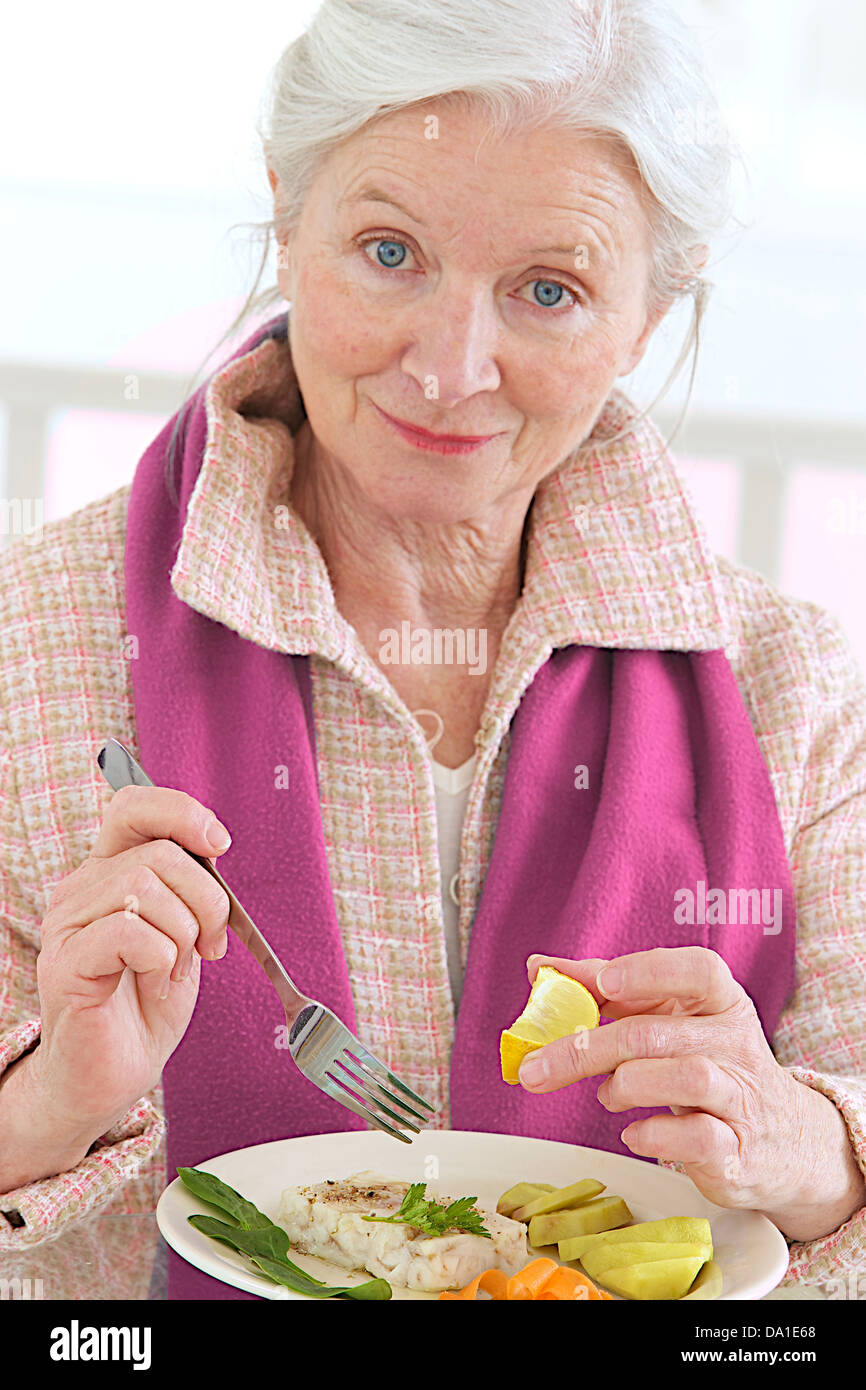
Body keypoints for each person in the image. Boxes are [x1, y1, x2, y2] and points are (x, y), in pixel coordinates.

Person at [1, 0, 864, 1302]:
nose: (451, 367)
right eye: (388, 250)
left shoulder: (793, 685)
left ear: (647, 312)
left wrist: (808, 1146)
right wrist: (50, 1101)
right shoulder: (31, 638)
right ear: (287, 212)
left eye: (549, 289)